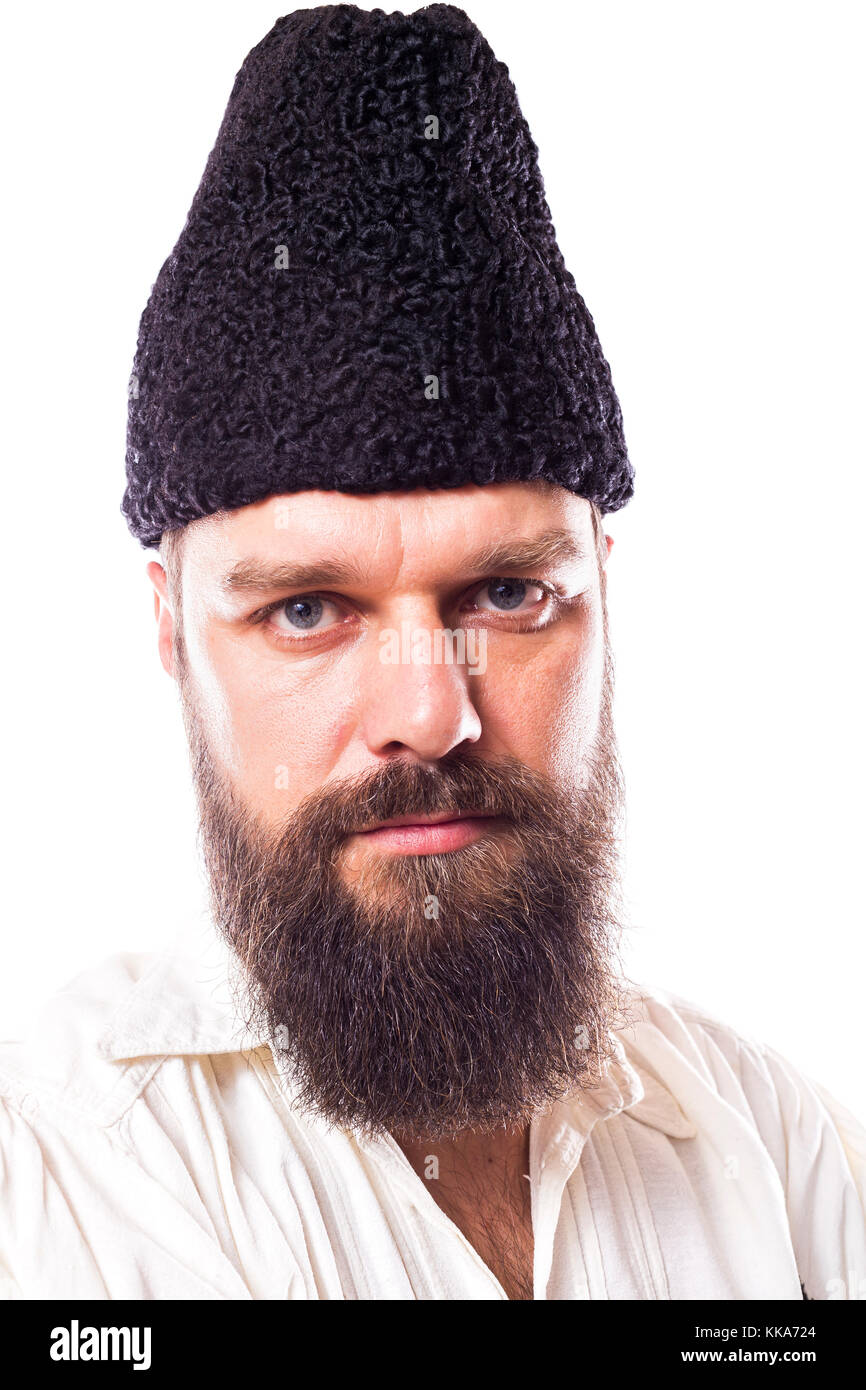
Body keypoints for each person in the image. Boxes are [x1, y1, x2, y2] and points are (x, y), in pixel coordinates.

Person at [1, 4, 863, 1301]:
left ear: (602, 593)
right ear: (171, 628)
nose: (429, 711)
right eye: (309, 609)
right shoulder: (56, 1190)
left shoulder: (779, 1156)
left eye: (507, 592)